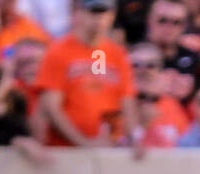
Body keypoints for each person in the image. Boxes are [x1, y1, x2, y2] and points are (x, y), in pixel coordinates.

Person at [35, 0, 139, 147]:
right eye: (93, 12)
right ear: (79, 13)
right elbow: (51, 107)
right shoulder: (58, 52)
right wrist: (83, 142)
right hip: (67, 150)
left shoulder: (117, 54)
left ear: (112, 16)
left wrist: (134, 137)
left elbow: (127, 101)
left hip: (109, 147)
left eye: (103, 13)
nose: (98, 19)